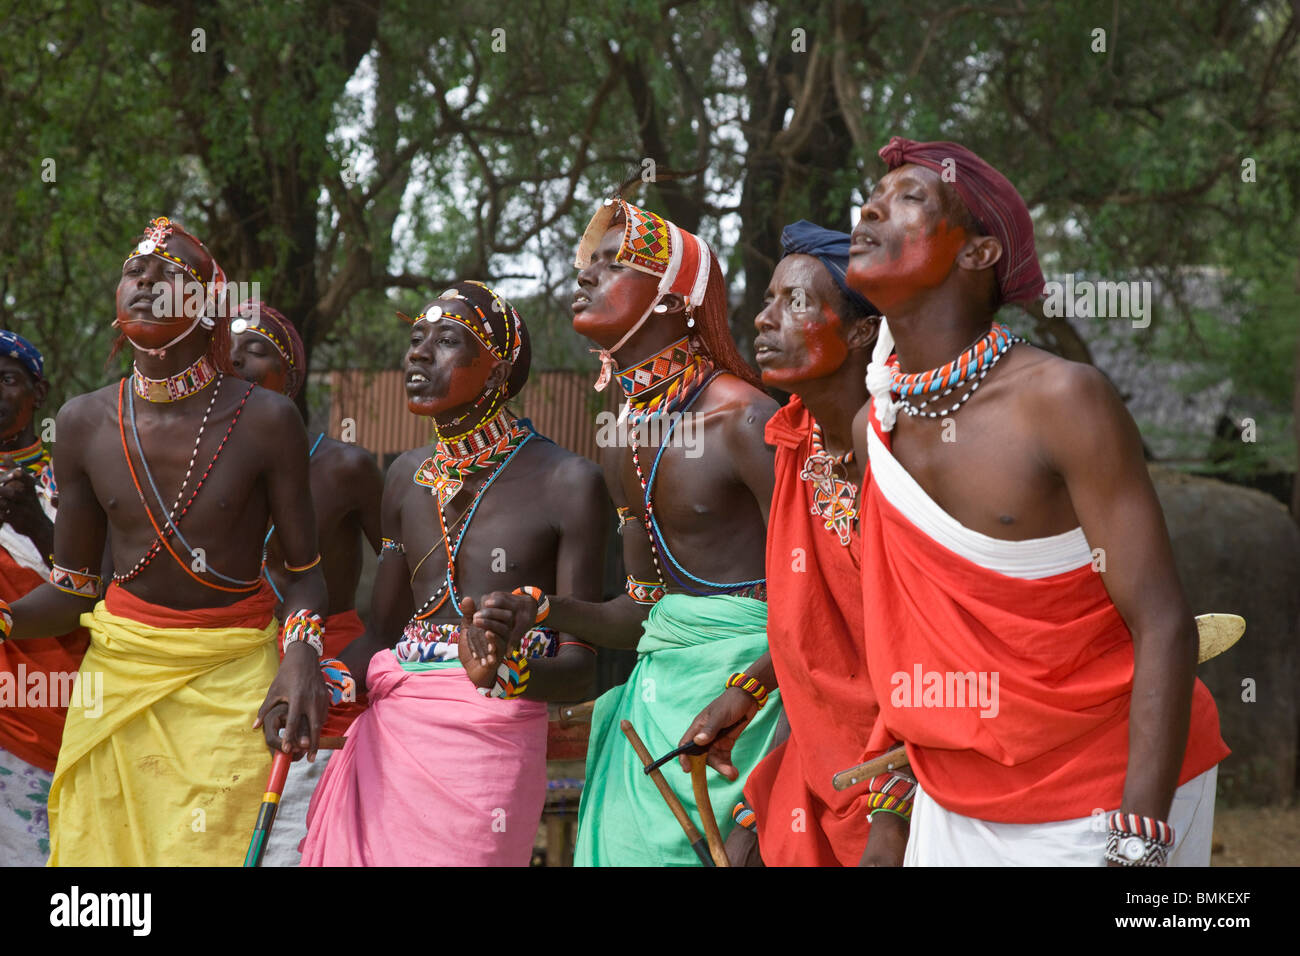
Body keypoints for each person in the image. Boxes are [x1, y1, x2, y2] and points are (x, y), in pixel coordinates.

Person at [848, 138, 1228, 866]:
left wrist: (1138, 837)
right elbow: (913, 638)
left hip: (1104, 786)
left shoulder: (1062, 400)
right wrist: (892, 811)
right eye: (874, 193)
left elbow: (1163, 620)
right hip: (954, 792)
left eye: (909, 198)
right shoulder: (875, 429)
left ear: (978, 254)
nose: (870, 207)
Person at [1, 216, 330, 865]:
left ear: (208, 306)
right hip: (119, 682)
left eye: (170, 271)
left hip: (235, 682)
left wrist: (301, 658)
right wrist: (7, 618)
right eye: (134, 269)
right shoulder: (83, 420)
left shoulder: (266, 419)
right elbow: (73, 590)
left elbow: (306, 574)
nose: (145, 278)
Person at [474, 197, 782, 866]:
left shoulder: (746, 420)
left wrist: (750, 692)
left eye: (612, 264)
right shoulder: (623, 438)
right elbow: (644, 612)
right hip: (657, 707)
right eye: (588, 263)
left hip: (755, 716)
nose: (584, 275)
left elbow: (824, 597)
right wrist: (543, 609)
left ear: (674, 301)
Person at [298, 280, 605, 867]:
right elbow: (380, 635)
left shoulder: (569, 482)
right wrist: (318, 677)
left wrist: (507, 674)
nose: (418, 352)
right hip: (392, 743)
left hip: (489, 748)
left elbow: (580, 668)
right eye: (416, 339)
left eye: (446, 341)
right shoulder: (406, 477)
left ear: (496, 370)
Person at [676, 222, 890, 866]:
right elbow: (821, 629)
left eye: (794, 302)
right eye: (767, 300)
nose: (765, 320)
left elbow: (920, 647)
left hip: (916, 758)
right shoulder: (792, 443)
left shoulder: (903, 455)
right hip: (827, 749)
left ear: (862, 331)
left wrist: (894, 801)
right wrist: (748, 686)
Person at [228, 300, 382, 866]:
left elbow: (405, 569)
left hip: (327, 670)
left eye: (257, 349)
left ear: (292, 375)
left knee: (301, 840)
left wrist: (373, 654)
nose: (237, 360)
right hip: (228, 662)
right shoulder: (199, 466)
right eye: (227, 350)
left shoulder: (345, 467)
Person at [0, 332, 91, 865]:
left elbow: (96, 591)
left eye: (8, 380)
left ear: (39, 391)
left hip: (53, 708)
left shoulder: (71, 484)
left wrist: (34, 524)